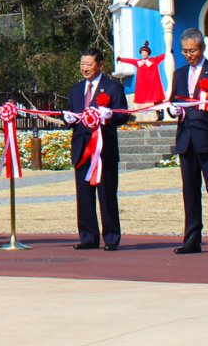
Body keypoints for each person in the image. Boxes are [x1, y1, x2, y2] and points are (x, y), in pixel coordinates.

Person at [168, 28, 208, 255]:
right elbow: (173, 100)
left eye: (192, 50)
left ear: (201, 48)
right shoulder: (179, 73)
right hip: (186, 139)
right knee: (190, 191)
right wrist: (173, 109)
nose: (188, 55)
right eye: (185, 51)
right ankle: (192, 238)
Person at [63, 48, 129, 251]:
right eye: (82, 64)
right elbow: (71, 115)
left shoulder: (112, 88)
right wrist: (69, 119)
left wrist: (109, 115)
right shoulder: (75, 89)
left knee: (107, 194)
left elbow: (123, 115)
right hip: (82, 148)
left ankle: (110, 237)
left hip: (104, 150)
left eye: (89, 64)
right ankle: (87, 237)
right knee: (83, 196)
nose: (85, 68)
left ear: (100, 65)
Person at [118, 41, 166, 121]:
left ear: (148, 54)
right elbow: (130, 61)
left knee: (157, 99)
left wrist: (169, 52)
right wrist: (120, 59)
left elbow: (162, 57)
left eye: (145, 52)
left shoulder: (153, 60)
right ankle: (159, 114)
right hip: (145, 85)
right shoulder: (138, 62)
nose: (143, 54)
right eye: (142, 53)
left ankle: (161, 113)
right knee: (154, 99)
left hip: (153, 84)